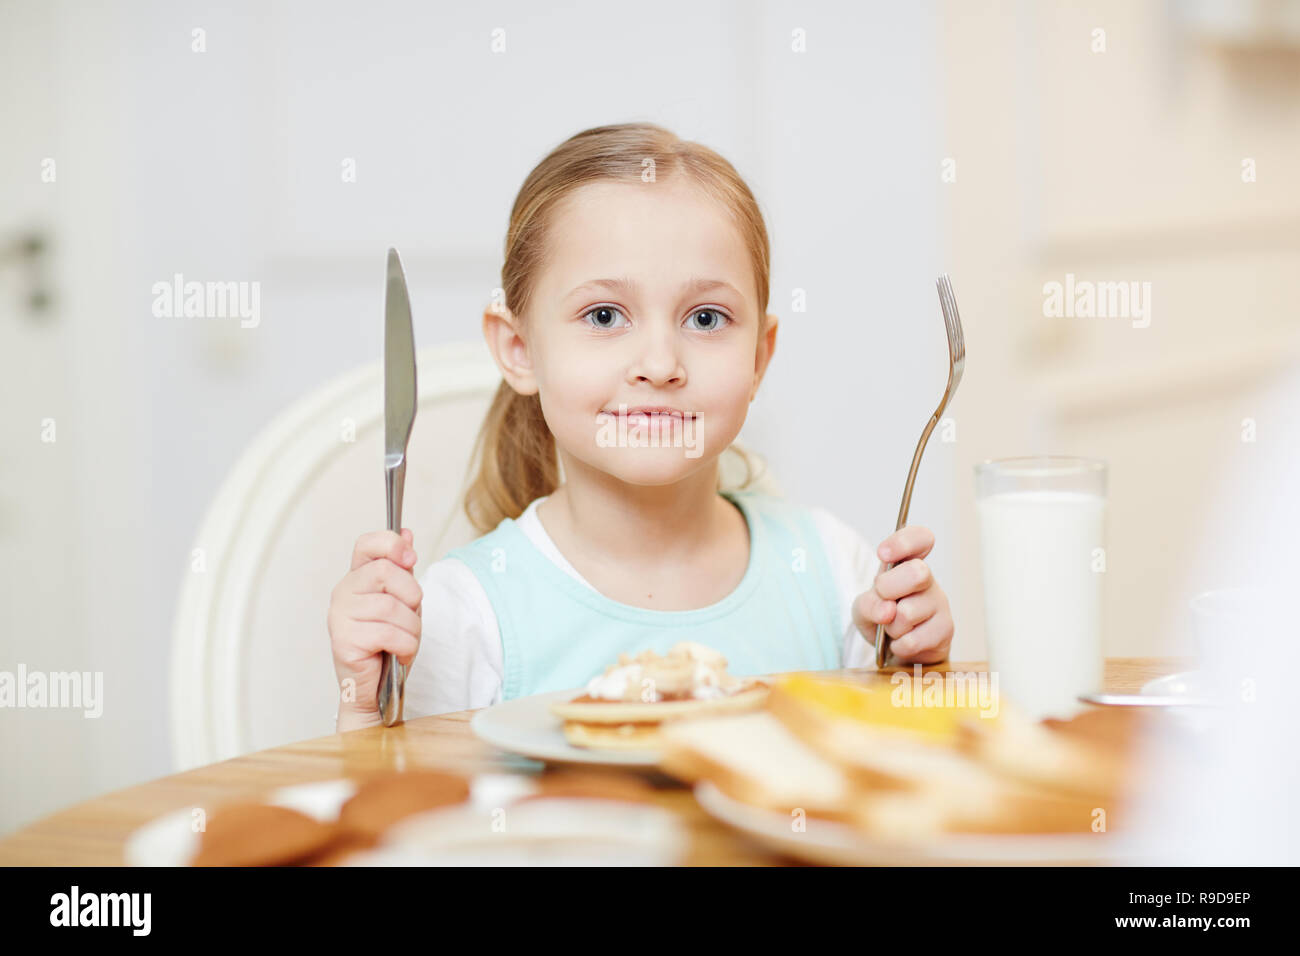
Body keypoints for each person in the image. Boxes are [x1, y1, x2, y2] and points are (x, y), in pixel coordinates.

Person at [328, 123, 954, 729]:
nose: (659, 365)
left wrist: (911, 675)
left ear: (759, 357)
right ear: (519, 348)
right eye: (604, 315)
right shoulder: (462, 612)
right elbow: (404, 816)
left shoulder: (834, 573)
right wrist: (364, 705)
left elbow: (895, 786)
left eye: (706, 319)